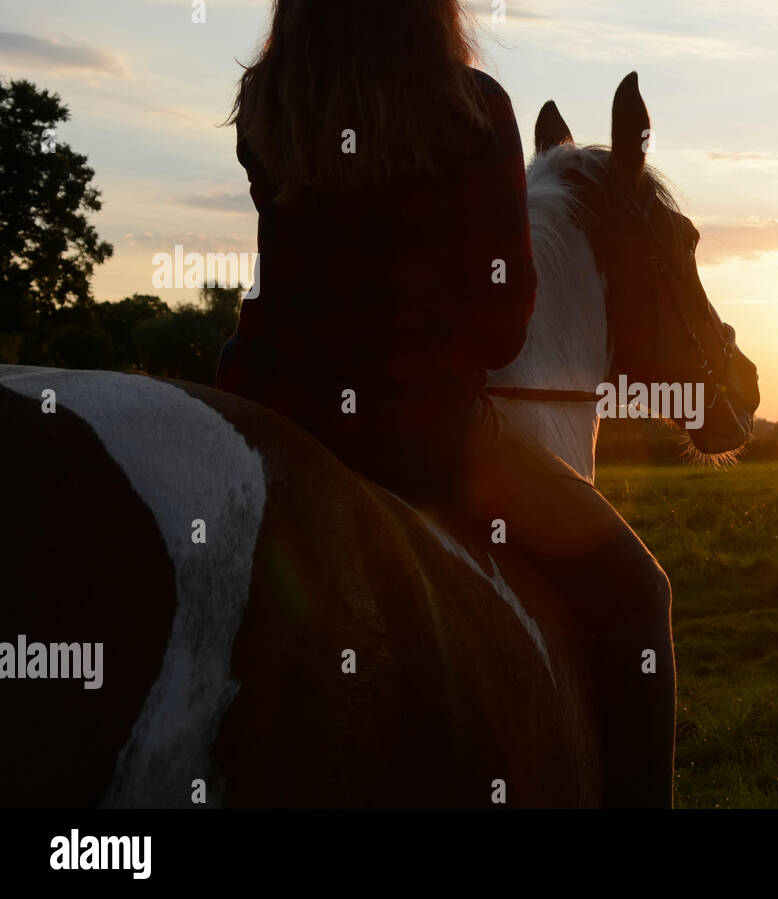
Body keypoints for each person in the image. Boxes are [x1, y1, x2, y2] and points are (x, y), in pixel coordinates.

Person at [216, 0, 673, 807]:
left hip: (269, 408)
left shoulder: (267, 100)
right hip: (418, 428)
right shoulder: (472, 106)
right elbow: (502, 327)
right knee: (638, 593)